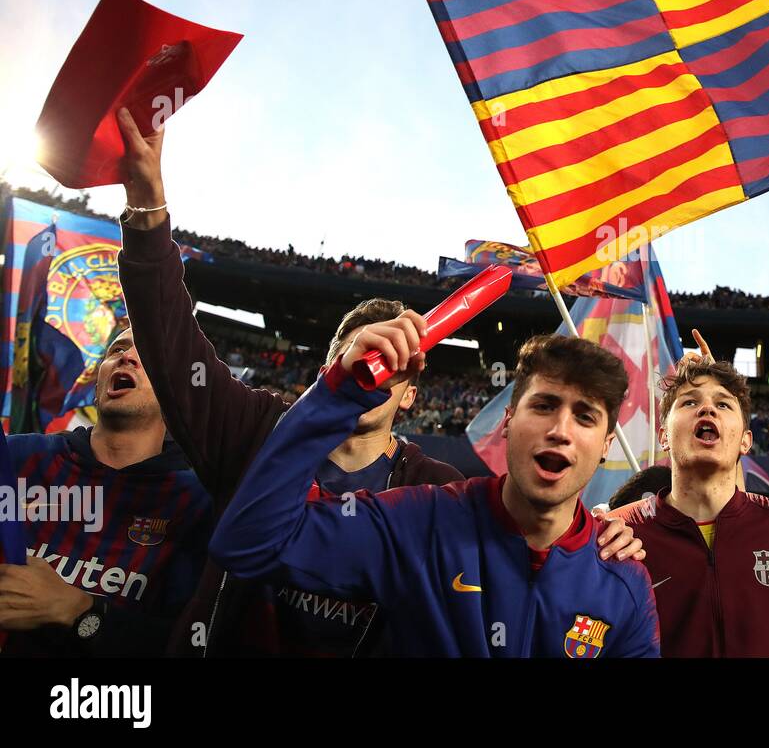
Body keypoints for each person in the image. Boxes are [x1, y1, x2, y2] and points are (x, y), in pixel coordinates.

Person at [113, 108, 643, 655]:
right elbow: (169, 341)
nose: (378, 368)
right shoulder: (254, 429)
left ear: (412, 391)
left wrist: (599, 537)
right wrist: (147, 209)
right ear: (328, 373)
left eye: (397, 362)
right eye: (363, 355)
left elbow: (531, 544)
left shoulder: (435, 493)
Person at [210, 329, 660, 657]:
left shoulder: (624, 582)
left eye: (585, 417)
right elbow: (248, 544)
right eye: (543, 406)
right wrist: (334, 397)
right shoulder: (422, 520)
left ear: (605, 446)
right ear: (507, 422)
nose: (560, 430)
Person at [609, 347, 769, 657]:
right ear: (663, 436)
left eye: (723, 404)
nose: (707, 410)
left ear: (746, 440)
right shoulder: (619, 534)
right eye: (690, 402)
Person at [0, 326, 211, 655]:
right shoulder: (15, 459)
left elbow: (191, 643)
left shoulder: (199, 506)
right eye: (117, 351)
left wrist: (81, 612)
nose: (126, 357)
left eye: (149, 354)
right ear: (98, 383)